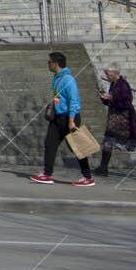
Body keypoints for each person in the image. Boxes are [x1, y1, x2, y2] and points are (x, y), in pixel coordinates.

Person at [31, 50, 95, 186]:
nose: (48, 64)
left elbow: (74, 101)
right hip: (58, 118)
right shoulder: (56, 78)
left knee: (77, 147)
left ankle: (87, 177)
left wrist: (71, 121)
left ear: (55, 63)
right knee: (50, 144)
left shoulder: (68, 80)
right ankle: (47, 174)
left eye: (49, 62)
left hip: (69, 118)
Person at [96, 64, 136, 178]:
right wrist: (104, 98)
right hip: (115, 120)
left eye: (108, 74)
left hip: (126, 120)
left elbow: (126, 103)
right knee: (108, 141)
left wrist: (112, 98)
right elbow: (111, 101)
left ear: (115, 73)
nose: (107, 76)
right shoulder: (113, 84)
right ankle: (103, 167)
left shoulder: (123, 85)